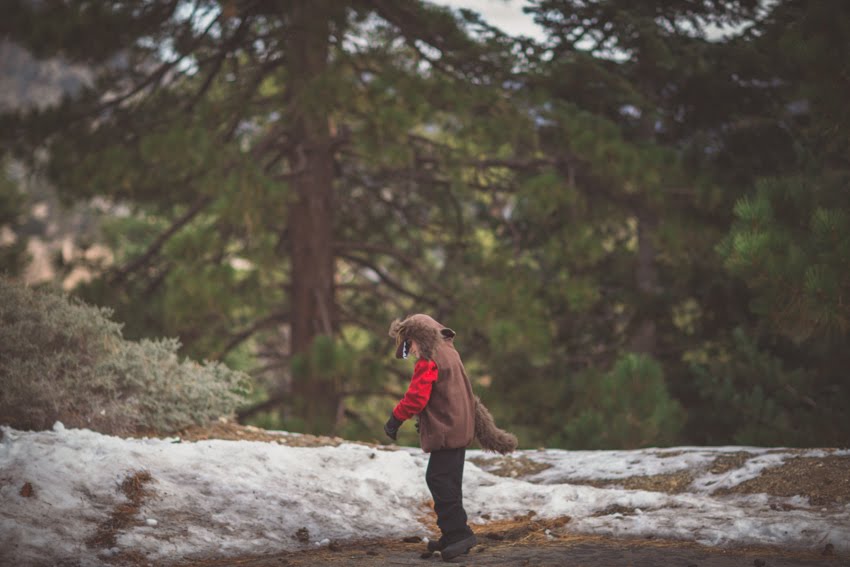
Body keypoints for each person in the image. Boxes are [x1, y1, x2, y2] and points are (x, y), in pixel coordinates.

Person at [385, 314, 517, 562]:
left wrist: (395, 418)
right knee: (449, 481)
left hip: (447, 429)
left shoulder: (429, 359)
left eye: (409, 344)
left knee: (437, 479)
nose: (410, 351)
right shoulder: (449, 352)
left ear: (419, 336)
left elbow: (417, 397)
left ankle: (459, 534)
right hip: (459, 426)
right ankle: (451, 534)